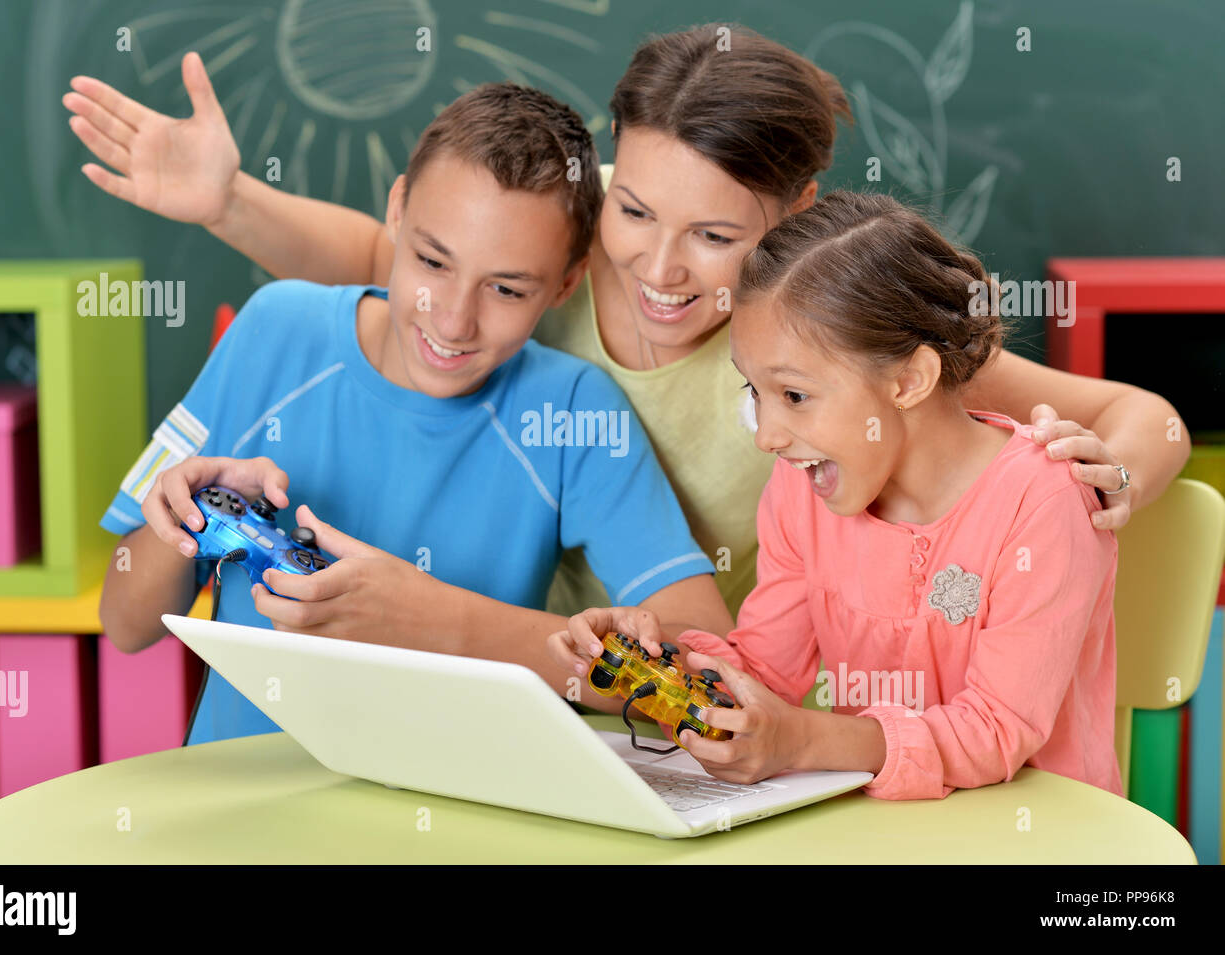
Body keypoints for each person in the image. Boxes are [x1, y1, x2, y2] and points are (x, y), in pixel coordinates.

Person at [65, 24, 1189, 629]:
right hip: (523, 669)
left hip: (712, 685)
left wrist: (1101, 486)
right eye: (634, 209)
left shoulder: (831, 321)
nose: (653, 265)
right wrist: (227, 201)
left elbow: (1141, 418)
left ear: (792, 217)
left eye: (713, 237)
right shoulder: (548, 233)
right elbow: (389, 258)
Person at [96, 83, 731, 744]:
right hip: (242, 818)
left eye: (507, 288)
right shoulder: (276, 331)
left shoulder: (572, 410)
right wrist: (183, 522)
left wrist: (436, 619)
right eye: (433, 261)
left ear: (565, 283)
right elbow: (126, 622)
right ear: (397, 210)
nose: (454, 320)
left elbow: (700, 677)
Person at [552, 192, 1123, 800]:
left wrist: (803, 740)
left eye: (794, 396)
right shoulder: (804, 492)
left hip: (1039, 841)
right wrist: (652, 660)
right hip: (874, 835)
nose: (768, 437)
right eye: (756, 393)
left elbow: (995, 729)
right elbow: (766, 672)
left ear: (908, 380)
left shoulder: (1042, 501)